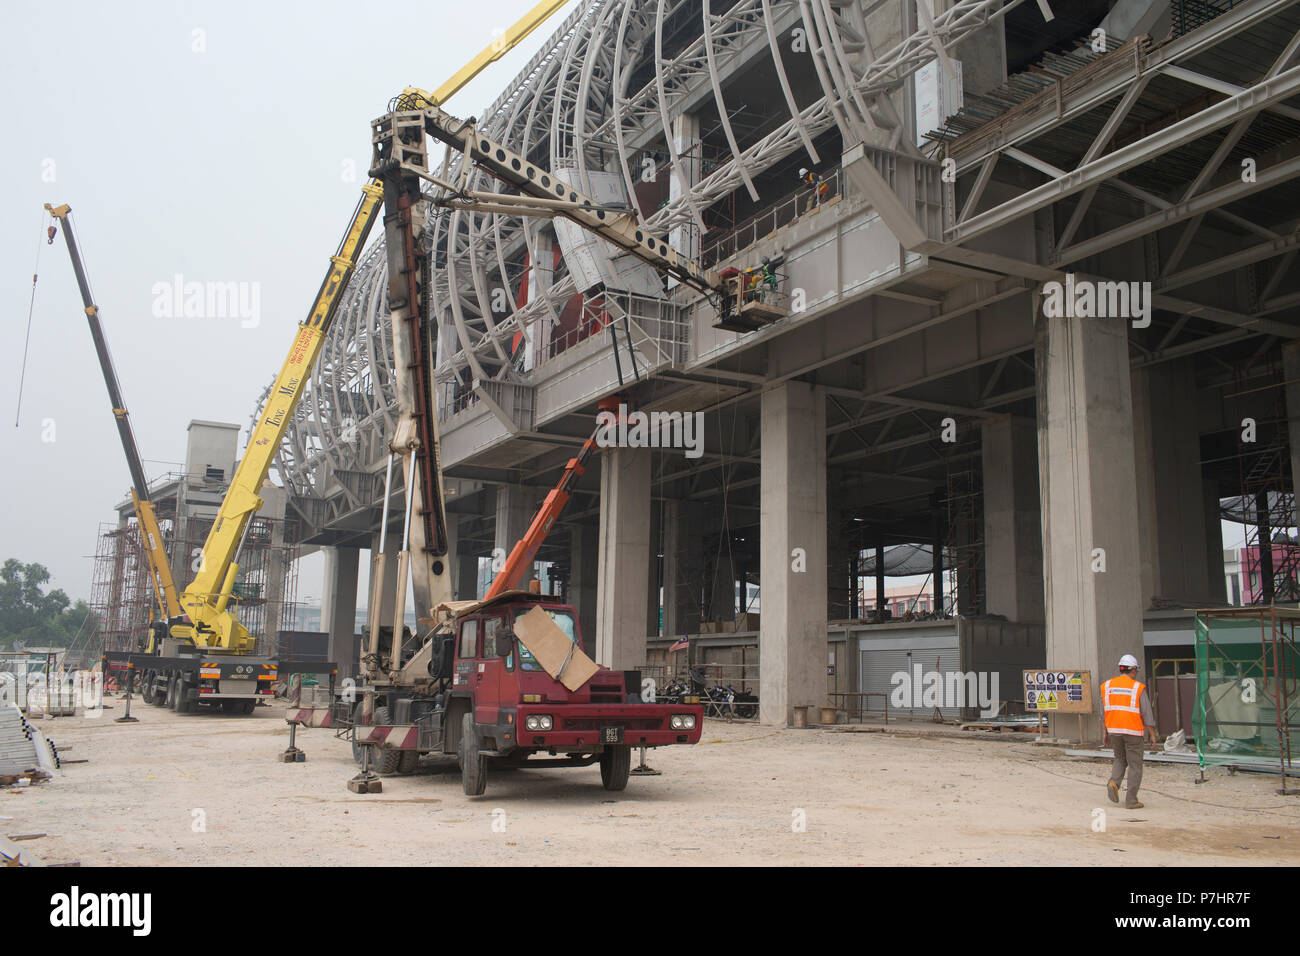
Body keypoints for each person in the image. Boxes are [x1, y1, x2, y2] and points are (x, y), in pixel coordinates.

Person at [1101, 654, 1158, 809]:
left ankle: (1114, 782)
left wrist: (1105, 732)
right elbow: (1146, 713)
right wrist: (1152, 734)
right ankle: (1131, 800)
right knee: (1135, 765)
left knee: (1119, 758)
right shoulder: (1137, 687)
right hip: (1133, 732)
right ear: (1133, 669)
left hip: (1114, 730)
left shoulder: (1107, 686)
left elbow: (1104, 711)